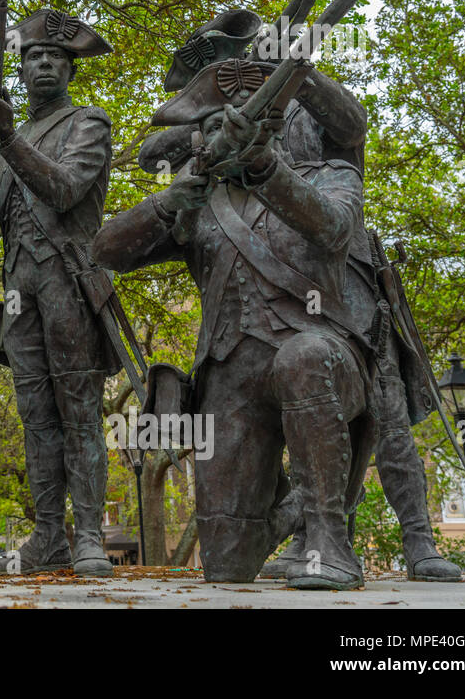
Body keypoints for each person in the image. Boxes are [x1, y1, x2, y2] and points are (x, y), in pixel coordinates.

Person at [93, 61, 376, 589]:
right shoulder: (199, 202)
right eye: (218, 122)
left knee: (303, 358)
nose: (229, 129)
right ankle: (293, 507)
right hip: (230, 376)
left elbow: (334, 228)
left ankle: (328, 536)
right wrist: (167, 201)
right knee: (226, 565)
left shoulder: (332, 176)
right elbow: (106, 250)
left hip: (323, 359)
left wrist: (267, 169)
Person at [0, 8, 118, 576]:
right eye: (33, 57)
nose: (43, 64)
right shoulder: (9, 143)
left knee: (79, 412)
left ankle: (89, 533)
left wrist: (7, 140)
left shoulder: (88, 123)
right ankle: (49, 536)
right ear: (19, 72)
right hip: (19, 291)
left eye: (54, 57)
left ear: (70, 69)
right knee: (35, 415)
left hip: (70, 280)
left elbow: (65, 189)